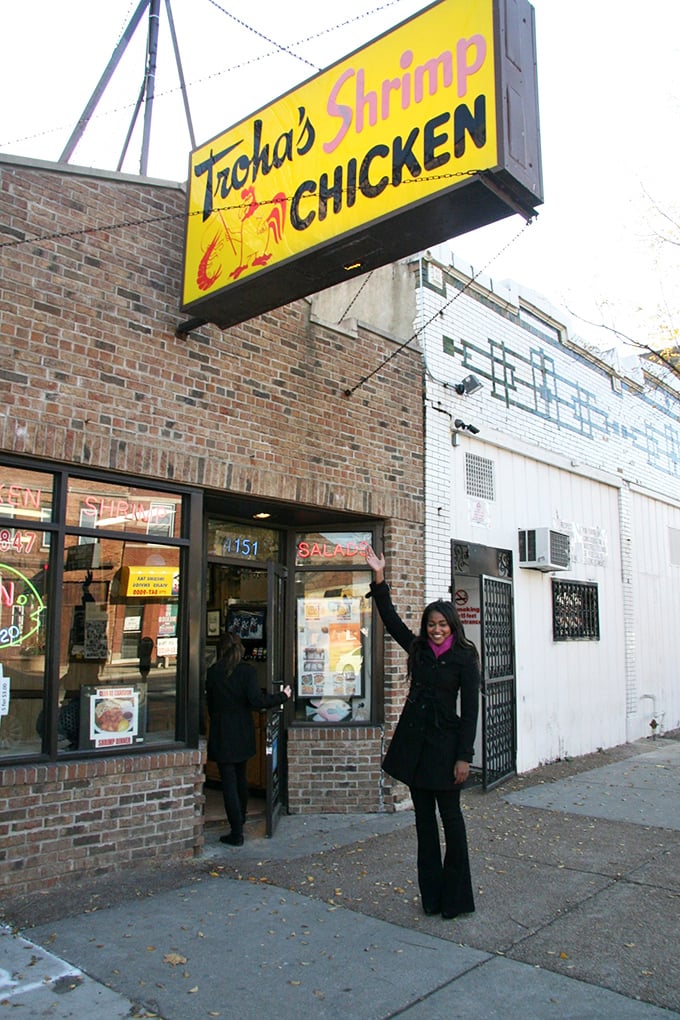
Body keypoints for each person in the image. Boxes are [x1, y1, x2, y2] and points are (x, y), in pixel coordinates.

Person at [365, 545, 481, 919]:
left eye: (442, 624)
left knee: (452, 822)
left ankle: (456, 899)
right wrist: (379, 577)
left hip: (447, 750)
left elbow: (471, 710)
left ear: (453, 626)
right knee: (424, 825)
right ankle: (431, 898)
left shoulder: (465, 657)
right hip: (416, 749)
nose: (436, 630)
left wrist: (465, 756)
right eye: (431, 624)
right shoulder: (417, 649)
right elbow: (391, 620)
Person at [206, 631, 292, 846]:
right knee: (241, 778)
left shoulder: (213, 672)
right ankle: (241, 820)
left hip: (221, 732)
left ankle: (236, 831)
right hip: (242, 730)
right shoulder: (247, 672)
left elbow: (210, 705)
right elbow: (256, 701)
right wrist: (283, 696)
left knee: (229, 783)